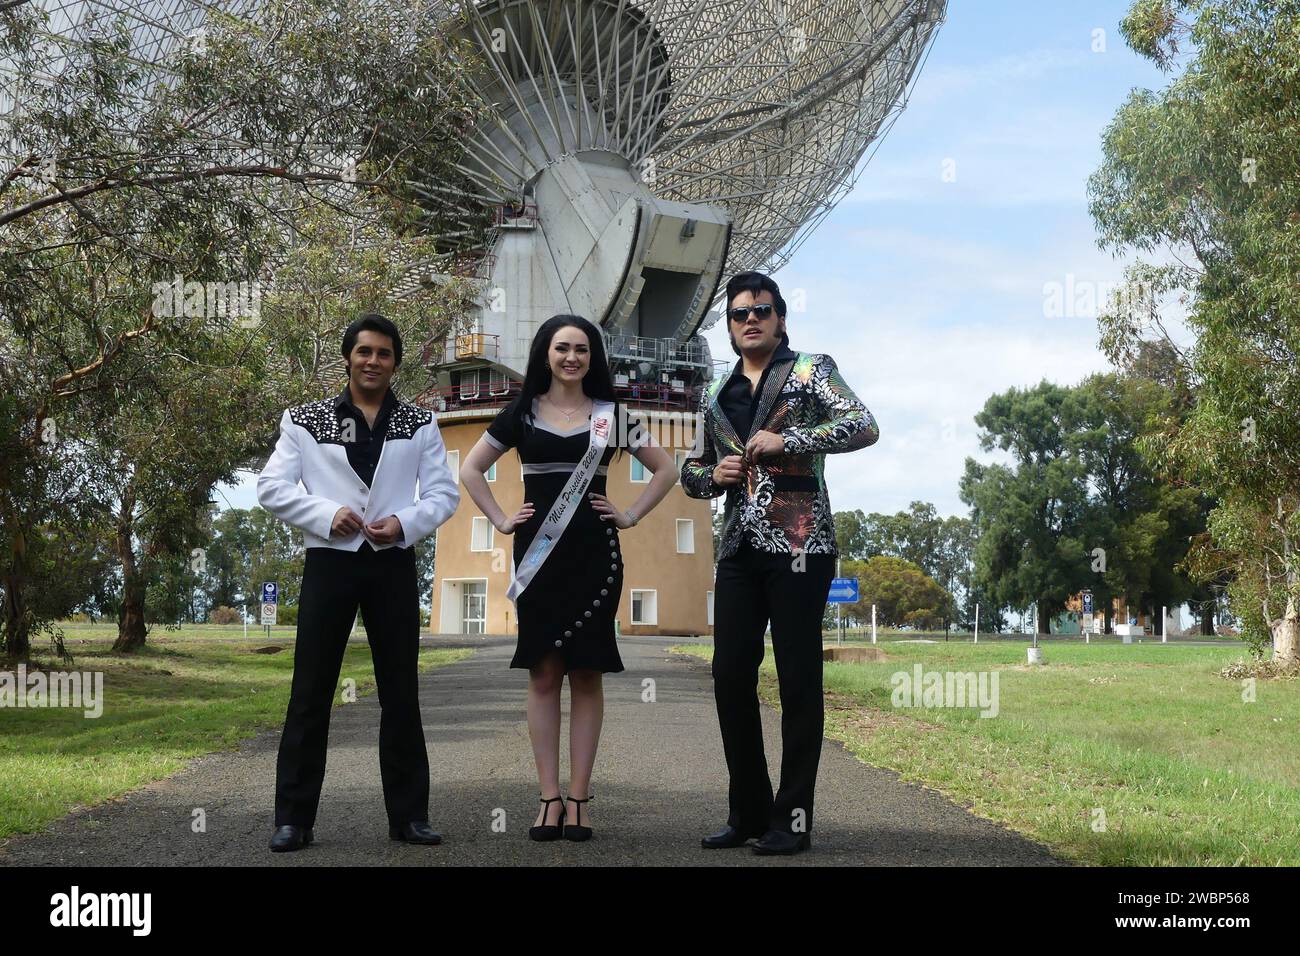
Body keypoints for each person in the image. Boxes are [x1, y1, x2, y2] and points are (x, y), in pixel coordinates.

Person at [681, 272, 878, 855]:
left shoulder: (812, 370)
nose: (751, 318)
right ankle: (747, 810)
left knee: (797, 680)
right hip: (738, 550)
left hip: (801, 547)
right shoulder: (715, 391)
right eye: (740, 312)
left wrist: (788, 441)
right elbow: (693, 472)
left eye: (762, 309)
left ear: (781, 319)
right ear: (730, 324)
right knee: (728, 677)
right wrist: (712, 476)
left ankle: (791, 820)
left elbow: (864, 425)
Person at [461, 315, 675, 841]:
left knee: (586, 673)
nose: (572, 357)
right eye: (562, 348)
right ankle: (548, 798)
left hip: (594, 555)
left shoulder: (613, 416)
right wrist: (499, 518)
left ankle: (579, 798)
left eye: (581, 349)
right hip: (538, 553)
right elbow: (469, 469)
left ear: (592, 358)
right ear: (546, 354)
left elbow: (666, 468)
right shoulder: (522, 413)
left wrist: (630, 515)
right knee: (542, 673)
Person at [257, 314, 459, 852]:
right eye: (364, 351)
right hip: (330, 562)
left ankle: (410, 816)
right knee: (310, 692)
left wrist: (404, 523)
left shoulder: (419, 423)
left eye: (384, 353)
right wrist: (325, 514)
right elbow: (270, 487)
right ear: (348, 357)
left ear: (395, 362)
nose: (373, 361)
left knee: (401, 692)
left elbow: (443, 495)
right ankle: (294, 820)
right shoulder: (304, 419)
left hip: (392, 562)